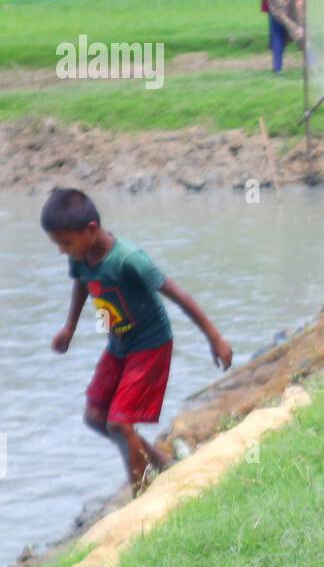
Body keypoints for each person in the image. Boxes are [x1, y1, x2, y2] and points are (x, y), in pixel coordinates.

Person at [42, 188, 232, 496]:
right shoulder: (80, 256)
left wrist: (215, 338)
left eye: (65, 243)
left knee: (119, 424)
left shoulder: (129, 260)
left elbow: (179, 295)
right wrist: (69, 329)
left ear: (91, 230)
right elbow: (82, 284)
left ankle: (142, 496)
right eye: (57, 244)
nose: (62, 251)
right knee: (95, 418)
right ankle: (160, 461)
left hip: (150, 345)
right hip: (118, 346)